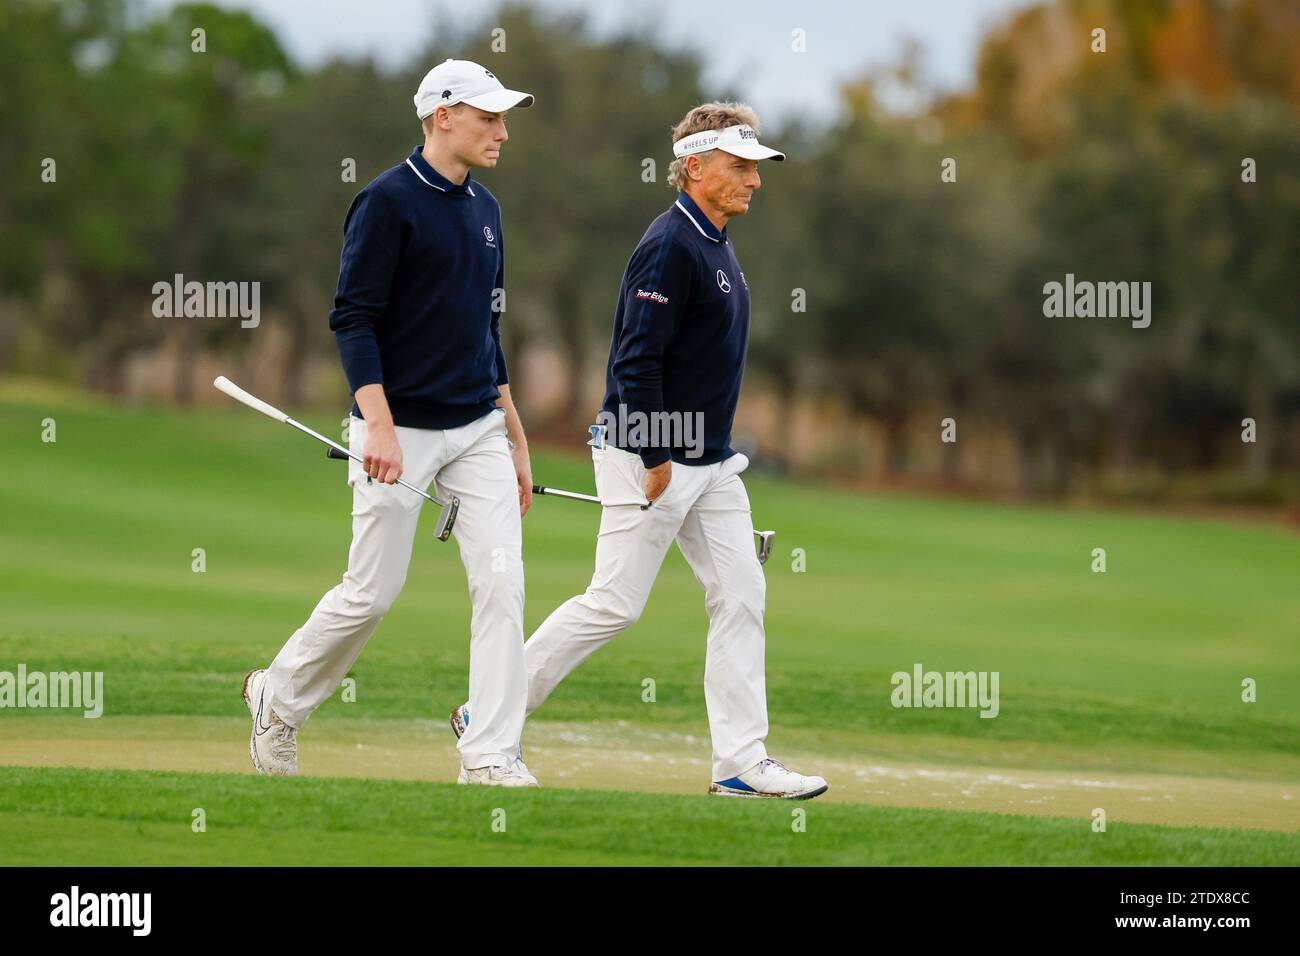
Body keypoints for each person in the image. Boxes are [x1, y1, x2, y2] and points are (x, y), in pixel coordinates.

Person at [451, 102, 828, 799]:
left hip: (712, 462)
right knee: (615, 603)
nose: (755, 180)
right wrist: (656, 455)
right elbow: (635, 363)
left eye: (756, 167)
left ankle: (742, 763)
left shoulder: (713, 239)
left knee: (742, 594)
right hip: (649, 455)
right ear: (696, 169)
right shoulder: (669, 244)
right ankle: (487, 712)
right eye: (741, 166)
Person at [243, 59, 540, 787]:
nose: (503, 131)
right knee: (371, 592)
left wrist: (513, 429)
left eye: (504, 119)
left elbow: (486, 329)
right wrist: (375, 424)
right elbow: (354, 318)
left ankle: (490, 755)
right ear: (443, 116)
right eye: (488, 118)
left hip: (477, 427)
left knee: (503, 585)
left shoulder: (488, 210)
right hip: (397, 427)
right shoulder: (387, 202)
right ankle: (277, 702)